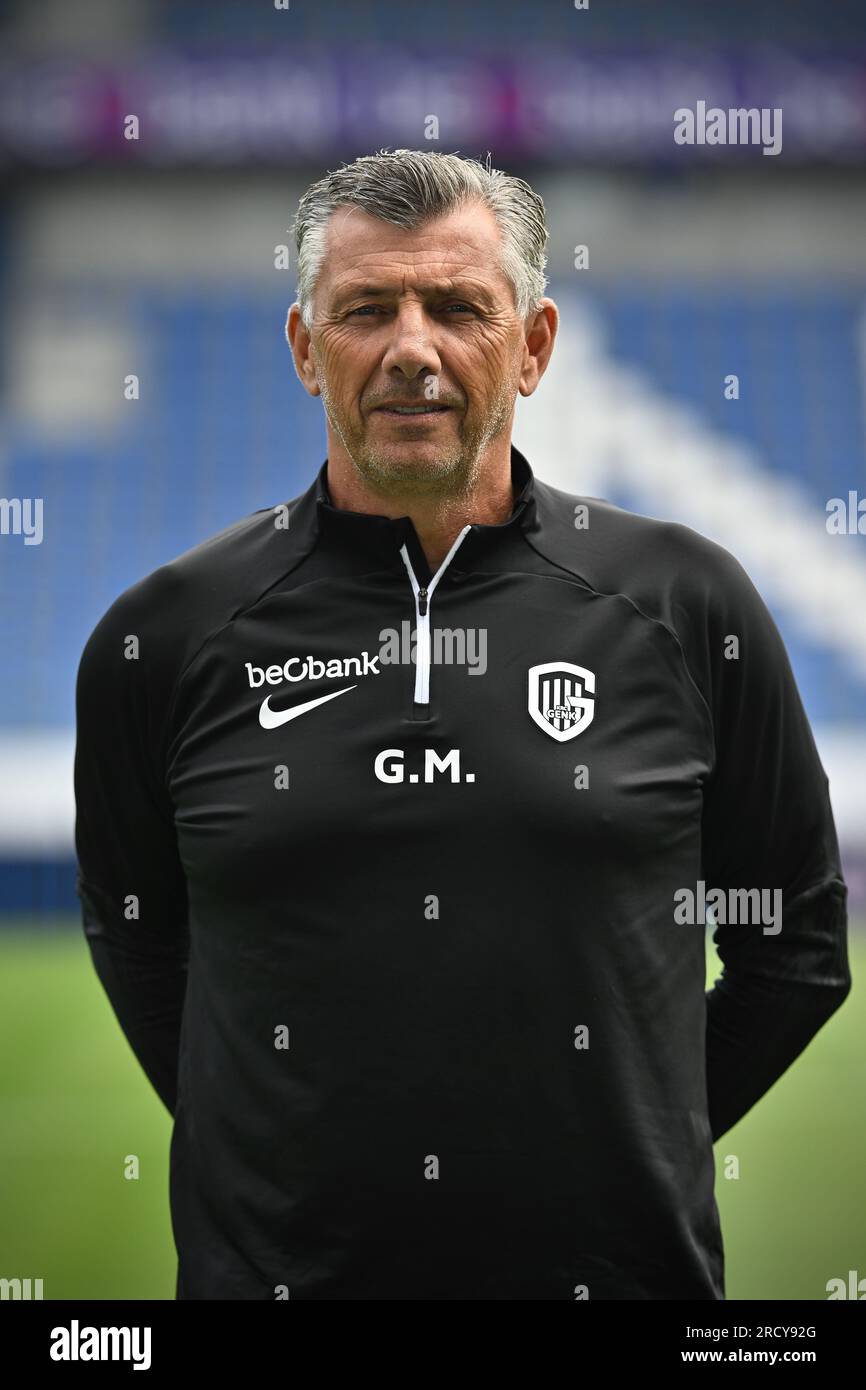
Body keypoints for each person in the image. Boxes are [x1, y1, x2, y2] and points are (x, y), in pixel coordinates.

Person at [73, 148, 851, 1300]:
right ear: (303, 348)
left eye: (457, 308)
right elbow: (139, 939)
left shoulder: (686, 604)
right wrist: (285, 1168)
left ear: (531, 345)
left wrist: (626, 1146)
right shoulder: (167, 636)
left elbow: (794, 947)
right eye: (365, 309)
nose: (411, 350)